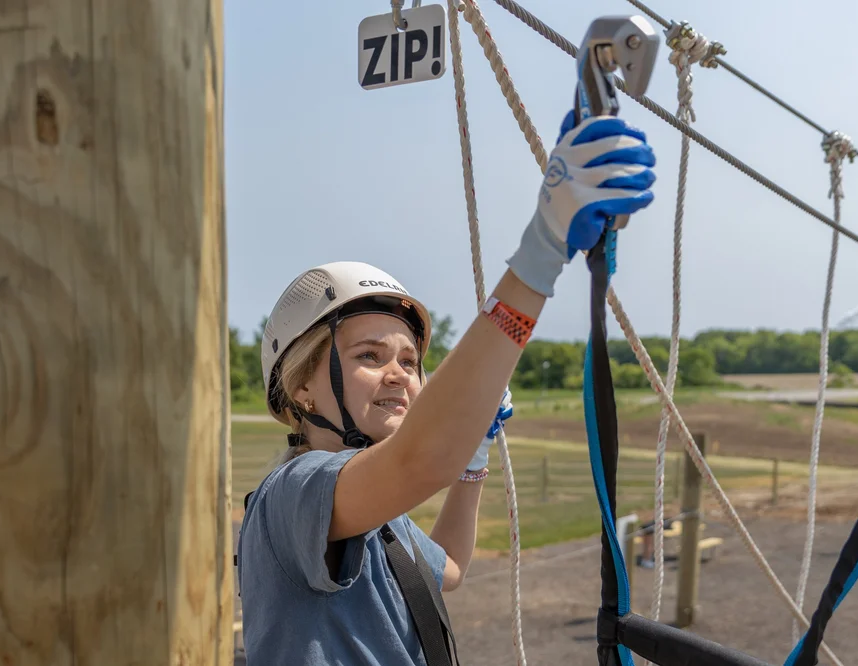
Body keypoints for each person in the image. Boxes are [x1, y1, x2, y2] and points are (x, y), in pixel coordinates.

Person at [235, 109, 657, 665]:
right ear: (302, 388)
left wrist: (473, 461)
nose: (399, 374)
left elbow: (448, 568)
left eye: (410, 361)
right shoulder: (295, 493)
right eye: (369, 356)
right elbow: (420, 461)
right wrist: (542, 251)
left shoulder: (374, 510)